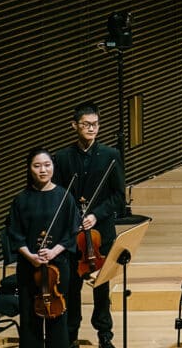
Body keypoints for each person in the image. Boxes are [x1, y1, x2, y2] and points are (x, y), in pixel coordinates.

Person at [58, 104, 127, 348]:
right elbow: (58, 196)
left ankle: (104, 336)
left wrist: (96, 215)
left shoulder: (111, 156)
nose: (91, 129)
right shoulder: (62, 158)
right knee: (71, 287)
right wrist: (74, 217)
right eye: (86, 124)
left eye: (95, 124)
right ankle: (71, 334)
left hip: (101, 234)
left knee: (101, 286)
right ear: (74, 125)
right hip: (73, 235)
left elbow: (119, 196)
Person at [6, 149, 82, 348]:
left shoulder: (65, 197)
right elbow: (14, 233)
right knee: (30, 321)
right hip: (29, 267)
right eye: (37, 165)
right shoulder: (21, 199)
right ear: (29, 169)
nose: (43, 170)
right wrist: (30, 256)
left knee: (57, 320)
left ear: (53, 167)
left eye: (47, 165)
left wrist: (53, 251)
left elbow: (72, 231)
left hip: (58, 268)